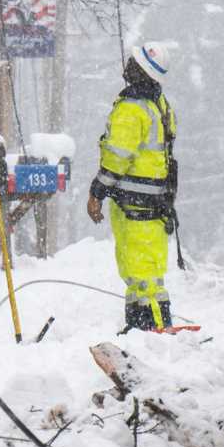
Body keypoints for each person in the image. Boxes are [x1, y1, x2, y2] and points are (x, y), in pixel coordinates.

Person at [86, 40, 181, 332]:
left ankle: (154, 330)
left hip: (134, 203)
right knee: (140, 271)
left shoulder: (132, 109)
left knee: (142, 273)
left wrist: (96, 192)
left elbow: (117, 158)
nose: (126, 66)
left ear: (139, 69)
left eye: (132, 62)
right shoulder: (159, 104)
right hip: (154, 202)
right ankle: (139, 327)